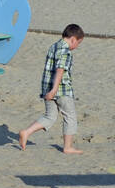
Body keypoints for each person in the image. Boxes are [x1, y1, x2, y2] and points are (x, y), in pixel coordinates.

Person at [19, 24, 86, 154]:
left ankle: (26, 132)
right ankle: (68, 147)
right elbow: (60, 70)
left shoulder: (54, 46)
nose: (77, 47)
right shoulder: (65, 51)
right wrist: (54, 90)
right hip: (61, 90)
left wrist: (50, 90)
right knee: (70, 116)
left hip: (47, 87)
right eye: (78, 43)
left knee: (50, 116)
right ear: (73, 39)